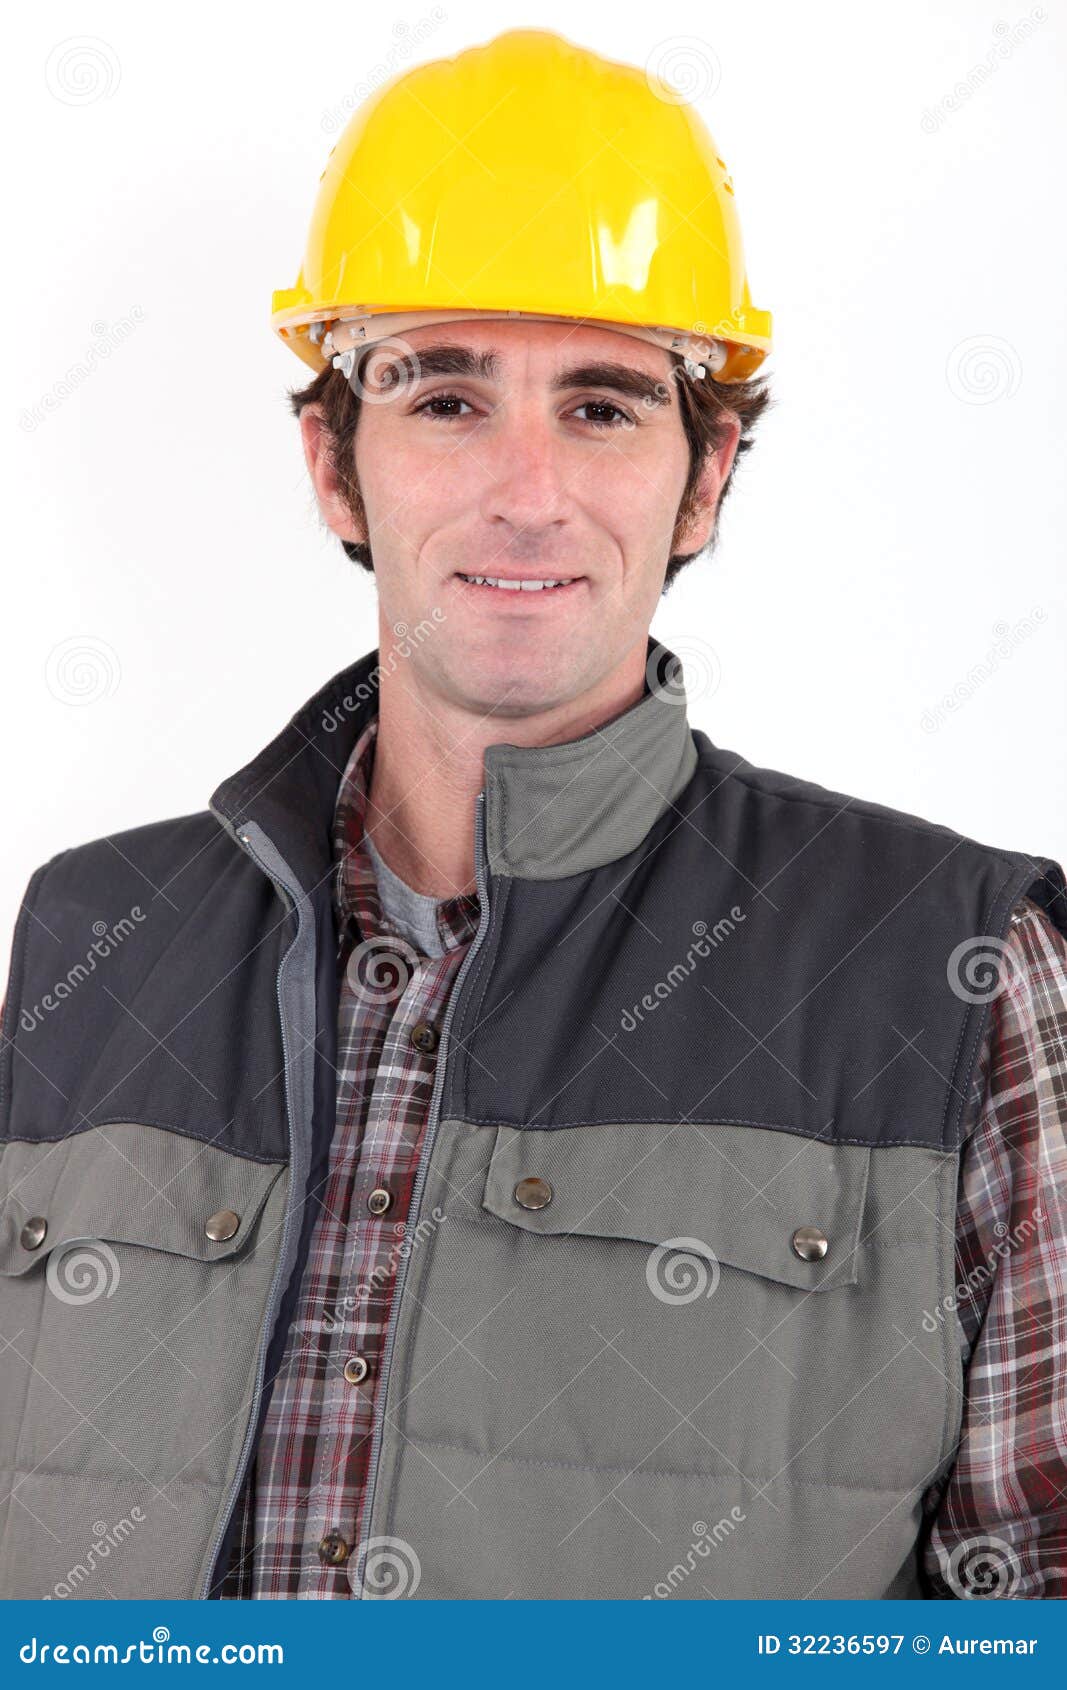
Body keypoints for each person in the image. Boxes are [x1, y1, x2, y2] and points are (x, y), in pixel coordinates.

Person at [1, 28, 1064, 1602]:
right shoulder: (89, 941)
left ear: (703, 485)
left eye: (604, 406)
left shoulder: (951, 971)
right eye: (442, 397)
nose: (524, 490)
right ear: (333, 464)